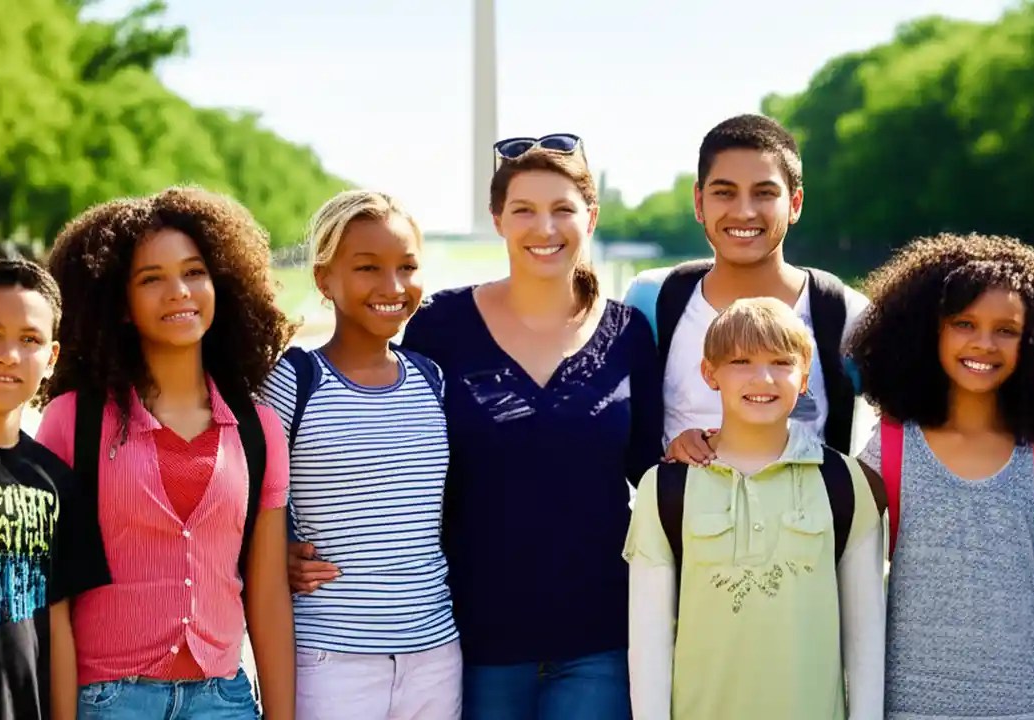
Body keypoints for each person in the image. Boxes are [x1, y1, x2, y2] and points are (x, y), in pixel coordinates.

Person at [402, 136, 663, 718]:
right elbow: (397, 456)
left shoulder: (629, 334)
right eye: (523, 209)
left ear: (590, 217)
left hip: (599, 638)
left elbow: (652, 473)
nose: (544, 227)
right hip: (473, 638)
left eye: (563, 209)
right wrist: (300, 538)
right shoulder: (438, 327)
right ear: (497, 220)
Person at [35, 187, 296, 719]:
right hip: (107, 701)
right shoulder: (72, 421)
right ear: (121, 305)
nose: (179, 291)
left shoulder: (258, 428)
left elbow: (267, 596)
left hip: (224, 700)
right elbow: (51, 600)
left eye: (194, 272)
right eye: (151, 279)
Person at [848, 233, 1034, 720]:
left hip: (1022, 707)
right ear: (929, 331)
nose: (984, 343)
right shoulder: (891, 448)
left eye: (1005, 329)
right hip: (907, 706)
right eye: (963, 323)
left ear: (1032, 340)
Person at [625, 297, 886, 719]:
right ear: (710, 374)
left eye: (781, 363)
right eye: (741, 361)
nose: (762, 378)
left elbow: (866, 640)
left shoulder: (846, 483)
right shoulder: (666, 487)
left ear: (804, 378)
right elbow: (649, 639)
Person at [265, 190, 460, 719]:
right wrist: (273, 553)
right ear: (325, 278)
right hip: (331, 660)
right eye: (368, 267)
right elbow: (240, 499)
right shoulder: (292, 381)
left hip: (436, 654)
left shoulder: (431, 378)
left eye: (408, 267)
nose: (392, 287)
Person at [623, 114, 873, 464]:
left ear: (795, 203)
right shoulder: (653, 300)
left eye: (764, 193)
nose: (744, 211)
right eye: (724, 193)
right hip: (680, 515)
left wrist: (863, 488)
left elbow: (911, 422)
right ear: (699, 202)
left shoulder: (844, 312)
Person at [0, 257, 110, 720]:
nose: (8, 354)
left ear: (52, 359)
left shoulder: (56, 482)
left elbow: (59, 628)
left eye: (29, 339)